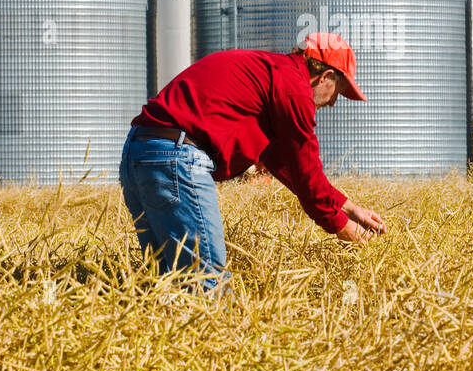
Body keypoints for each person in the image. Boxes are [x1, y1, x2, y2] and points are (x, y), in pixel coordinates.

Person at [119, 32, 386, 288]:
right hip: (177, 158)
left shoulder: (271, 74)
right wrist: (341, 226)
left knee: (165, 281)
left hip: (141, 153)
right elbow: (306, 170)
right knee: (207, 286)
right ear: (325, 76)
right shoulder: (294, 89)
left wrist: (349, 208)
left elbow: (284, 164)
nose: (333, 103)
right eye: (338, 91)